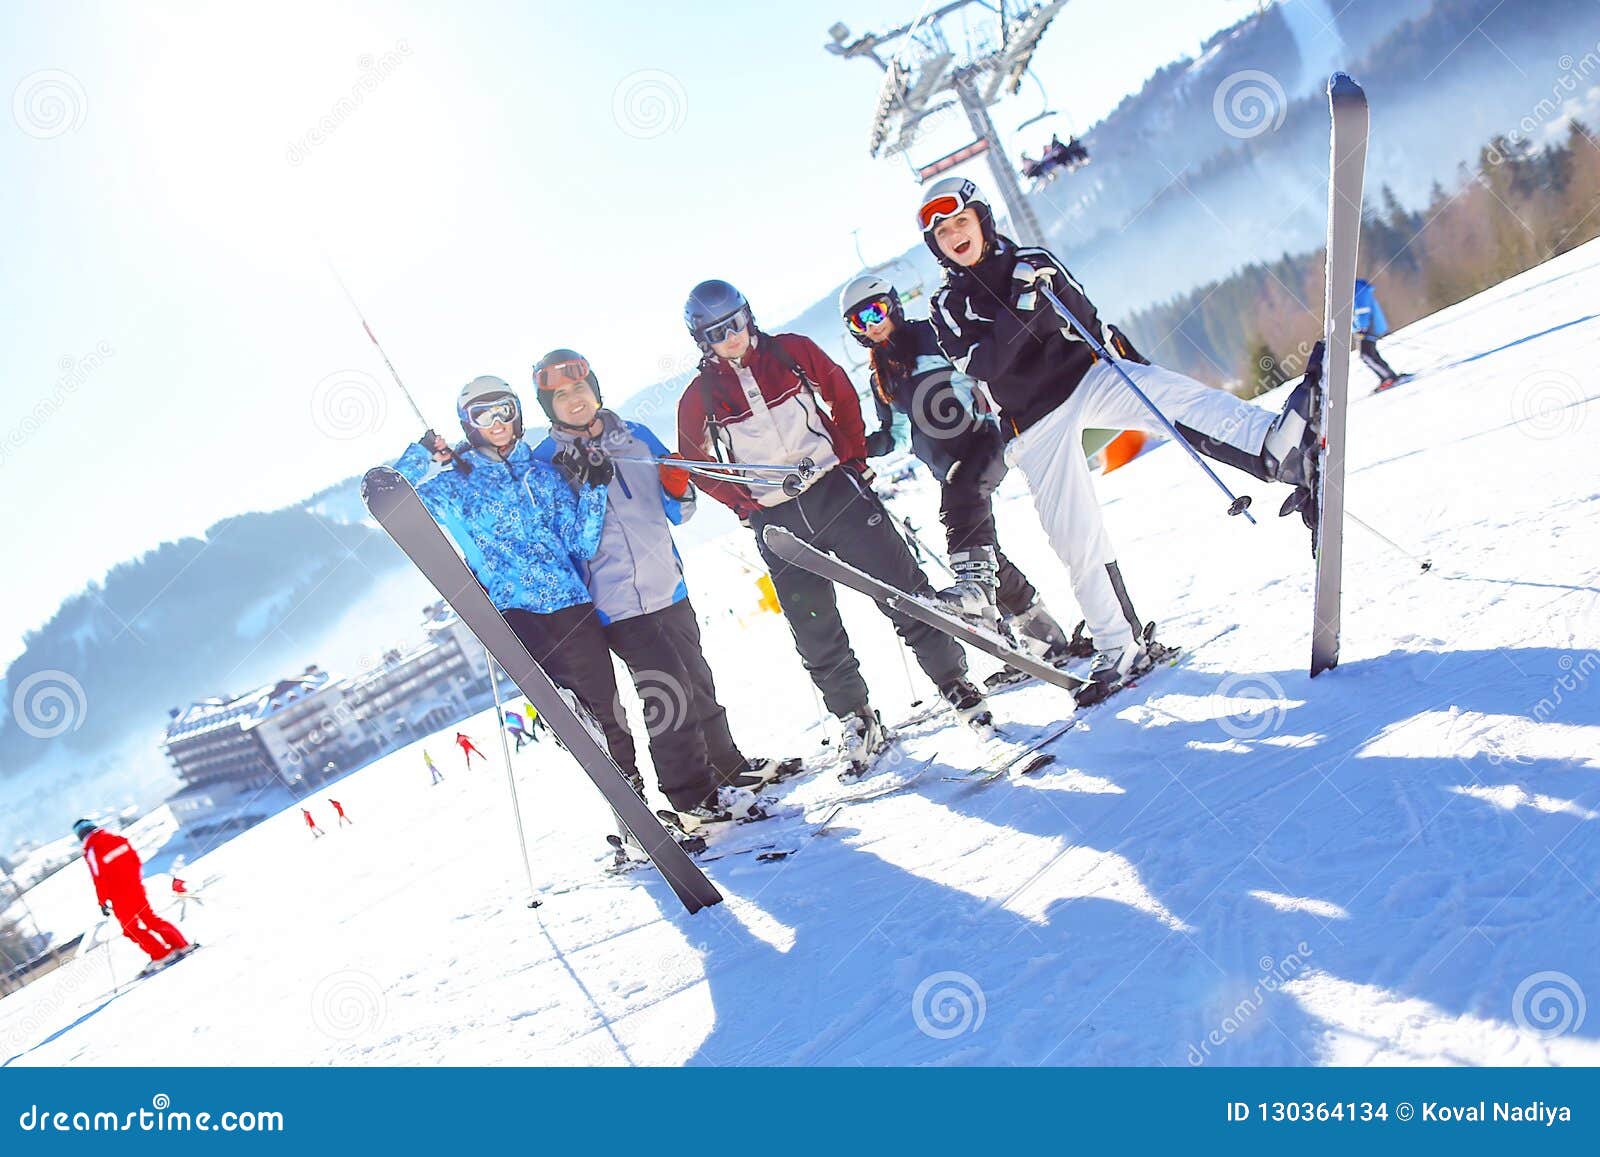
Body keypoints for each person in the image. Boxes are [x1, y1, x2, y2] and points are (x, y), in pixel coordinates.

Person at [919, 177, 1324, 695]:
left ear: (981, 221)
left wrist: (1068, 307)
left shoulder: (1033, 261)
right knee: (1073, 533)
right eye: (943, 233)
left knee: (1172, 398)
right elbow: (987, 363)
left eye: (961, 222)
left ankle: (1274, 450)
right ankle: (1120, 646)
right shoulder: (947, 306)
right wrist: (1022, 303)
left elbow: (1088, 321)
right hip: (1030, 420)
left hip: (1084, 375)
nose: (955, 235)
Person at [676, 279, 992, 776]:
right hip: (778, 520)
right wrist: (744, 504)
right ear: (702, 340)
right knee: (814, 627)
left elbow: (841, 394)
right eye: (716, 333)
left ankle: (954, 682)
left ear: (748, 316)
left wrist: (852, 457)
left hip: (835, 493)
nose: (730, 337)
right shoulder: (700, 397)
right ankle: (856, 717)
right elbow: (695, 462)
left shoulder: (791, 351)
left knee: (904, 591)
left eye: (735, 323)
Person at [532, 349, 792, 826]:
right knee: (667, 693)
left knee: (697, 680)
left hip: (668, 586)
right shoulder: (546, 465)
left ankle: (727, 767)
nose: (574, 399)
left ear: (595, 390)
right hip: (615, 604)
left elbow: (680, 512)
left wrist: (676, 486)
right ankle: (691, 795)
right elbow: (563, 540)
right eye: (560, 395)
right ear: (549, 407)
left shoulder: (636, 437)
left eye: (580, 388)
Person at [393, 377, 647, 796]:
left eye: (504, 410)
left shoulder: (545, 477)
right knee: (568, 717)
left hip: (571, 607)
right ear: (468, 423)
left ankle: (635, 798)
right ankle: (613, 796)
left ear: (518, 414)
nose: (497, 422)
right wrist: (422, 456)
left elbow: (581, 544)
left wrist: (595, 489)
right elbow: (392, 505)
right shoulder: (455, 485)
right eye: (483, 414)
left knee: (608, 711)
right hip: (516, 615)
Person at [837, 271, 1084, 670]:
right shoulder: (882, 376)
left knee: (961, 506)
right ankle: (1043, 637)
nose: (871, 324)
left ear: (893, 304)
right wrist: (850, 449)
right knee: (986, 551)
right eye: (858, 321)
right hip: (948, 465)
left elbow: (981, 369)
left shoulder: (930, 336)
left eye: (875, 311)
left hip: (984, 440)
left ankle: (975, 593)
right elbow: (894, 436)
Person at [75, 819, 192, 972]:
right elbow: (135, 860)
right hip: (135, 886)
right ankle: (181, 945)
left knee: (130, 928)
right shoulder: (116, 838)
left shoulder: (92, 849)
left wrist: (102, 902)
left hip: (119, 895)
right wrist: (134, 881)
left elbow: (99, 878)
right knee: (150, 918)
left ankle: (161, 954)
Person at [1353, 277, 1403, 389]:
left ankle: (1389, 377)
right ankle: (1387, 377)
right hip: (1366, 327)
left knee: (1366, 354)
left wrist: (1362, 328)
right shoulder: (1352, 289)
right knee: (1368, 354)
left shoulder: (1356, 289)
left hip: (1369, 327)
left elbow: (1362, 310)